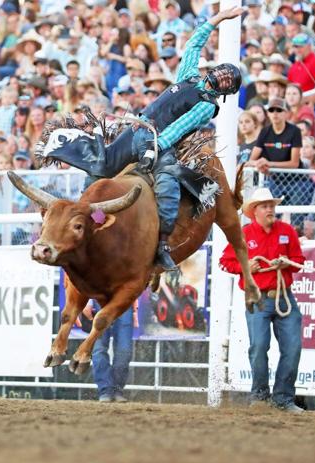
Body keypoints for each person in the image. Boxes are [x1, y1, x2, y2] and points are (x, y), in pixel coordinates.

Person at [100, 6, 245, 271]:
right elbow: (193, 45)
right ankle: (88, 214)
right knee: (103, 164)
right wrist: (218, 18)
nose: (222, 78)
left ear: (226, 91)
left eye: (227, 81)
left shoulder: (207, 105)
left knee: (167, 188)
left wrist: (155, 148)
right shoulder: (189, 75)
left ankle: (163, 244)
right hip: (138, 128)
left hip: (162, 145)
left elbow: (179, 128)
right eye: (223, 73)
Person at [219, 188, 305, 413]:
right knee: (258, 346)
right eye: (265, 206)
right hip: (258, 297)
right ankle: (260, 396)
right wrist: (245, 267)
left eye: (271, 206)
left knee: (293, 347)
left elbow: (299, 259)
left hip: (284, 297)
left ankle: (282, 398)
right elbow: (224, 262)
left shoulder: (287, 231)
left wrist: (287, 262)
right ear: (254, 211)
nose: (270, 210)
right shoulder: (244, 234)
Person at [84, 300, 135, 403]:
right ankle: (106, 390)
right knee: (99, 349)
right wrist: (87, 301)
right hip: (101, 299)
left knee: (124, 350)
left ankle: (114, 390)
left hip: (124, 300)